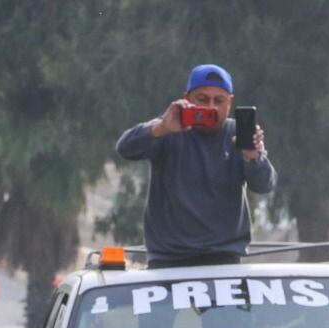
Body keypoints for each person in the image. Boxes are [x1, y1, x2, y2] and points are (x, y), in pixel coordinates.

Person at [115, 63, 276, 268]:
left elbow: (264, 185)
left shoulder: (239, 134)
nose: (211, 108)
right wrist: (161, 128)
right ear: (187, 99)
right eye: (202, 100)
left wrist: (253, 157)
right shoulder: (169, 128)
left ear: (230, 102)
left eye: (219, 101)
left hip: (224, 257)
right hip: (168, 258)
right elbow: (125, 148)